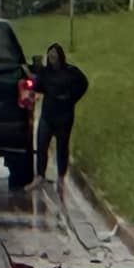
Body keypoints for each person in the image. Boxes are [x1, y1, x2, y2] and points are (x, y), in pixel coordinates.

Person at [31, 43, 89, 185]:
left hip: (64, 115)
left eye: (54, 54)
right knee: (42, 145)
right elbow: (38, 87)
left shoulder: (71, 71)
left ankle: (61, 177)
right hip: (47, 115)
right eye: (50, 54)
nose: (52, 56)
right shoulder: (45, 72)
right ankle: (39, 176)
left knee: (62, 146)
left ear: (60, 56)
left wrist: (72, 98)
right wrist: (33, 76)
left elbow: (84, 83)